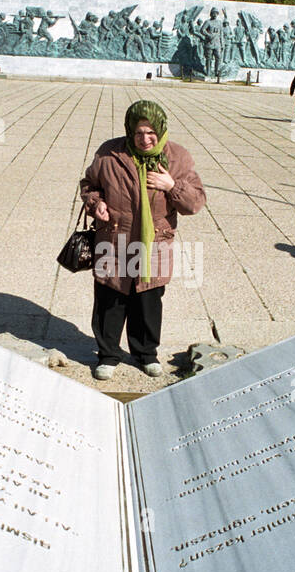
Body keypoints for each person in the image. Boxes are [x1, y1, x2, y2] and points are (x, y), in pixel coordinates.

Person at [80, 100, 206, 380]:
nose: (145, 139)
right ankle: (108, 355)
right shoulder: (109, 153)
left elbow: (195, 204)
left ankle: (146, 354)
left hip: (155, 244)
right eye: (138, 132)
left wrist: (172, 186)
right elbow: (89, 184)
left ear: (160, 130)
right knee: (110, 299)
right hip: (113, 240)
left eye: (151, 132)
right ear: (129, 131)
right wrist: (95, 203)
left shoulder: (177, 158)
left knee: (148, 301)